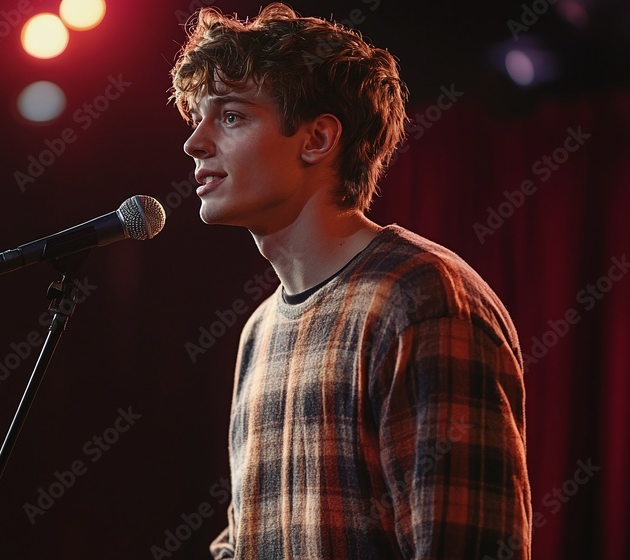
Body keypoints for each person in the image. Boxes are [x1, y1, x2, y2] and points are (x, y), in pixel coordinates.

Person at [169, 4, 532, 558]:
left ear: (316, 139)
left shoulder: (421, 299)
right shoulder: (259, 330)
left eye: (232, 116)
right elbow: (246, 542)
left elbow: (466, 545)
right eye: (198, 116)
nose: (195, 142)